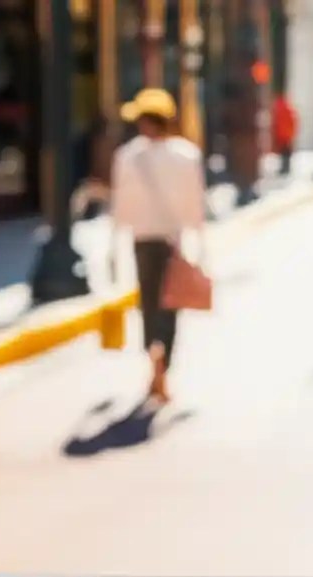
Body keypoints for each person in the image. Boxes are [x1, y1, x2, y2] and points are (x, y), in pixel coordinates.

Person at [110, 89, 207, 403]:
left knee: (149, 302)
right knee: (169, 304)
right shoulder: (186, 155)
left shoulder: (127, 156)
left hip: (143, 240)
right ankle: (162, 362)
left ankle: (154, 357)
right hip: (170, 240)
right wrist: (200, 243)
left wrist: (114, 245)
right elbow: (196, 204)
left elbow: (119, 205)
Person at [272, 94, 298, 178]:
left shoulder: (279, 108)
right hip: (286, 135)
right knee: (286, 153)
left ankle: (285, 168)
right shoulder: (289, 109)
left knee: (284, 153)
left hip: (282, 135)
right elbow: (293, 122)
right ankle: (285, 168)